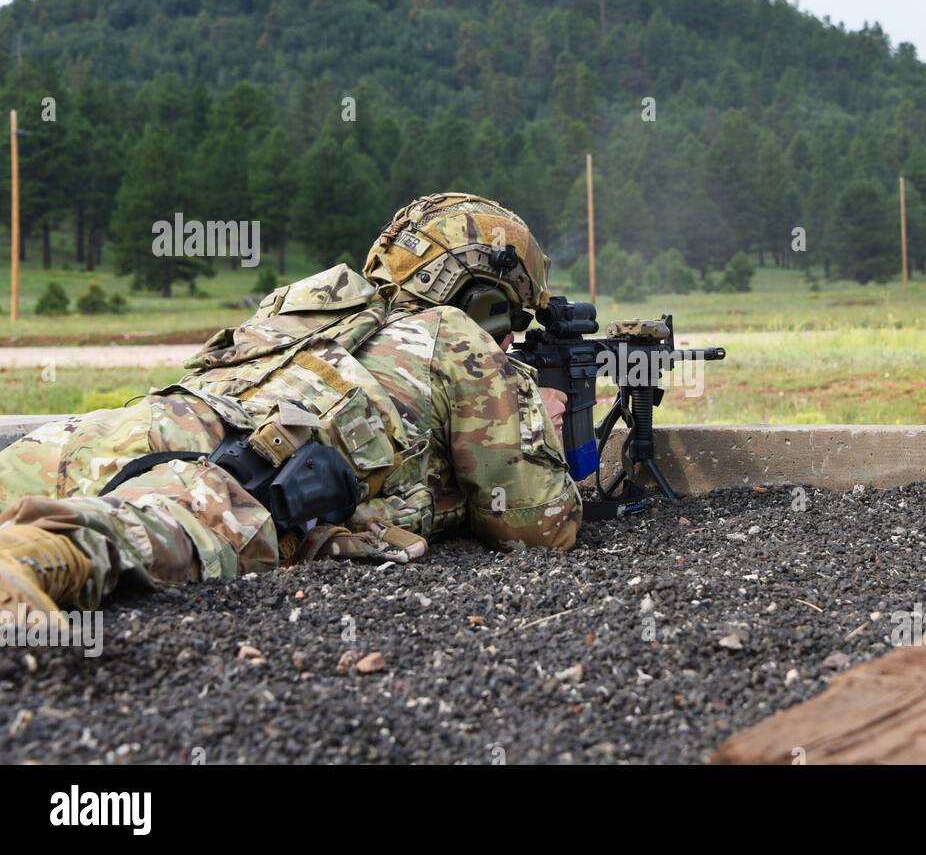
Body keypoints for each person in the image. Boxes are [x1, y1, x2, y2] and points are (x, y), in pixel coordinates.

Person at [0, 193, 580, 622]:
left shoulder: (313, 308)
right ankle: (32, 559)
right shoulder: (456, 336)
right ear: (484, 303)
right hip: (235, 472)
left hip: (125, 428)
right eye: (512, 319)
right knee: (90, 545)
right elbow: (536, 527)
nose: (510, 338)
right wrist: (537, 424)